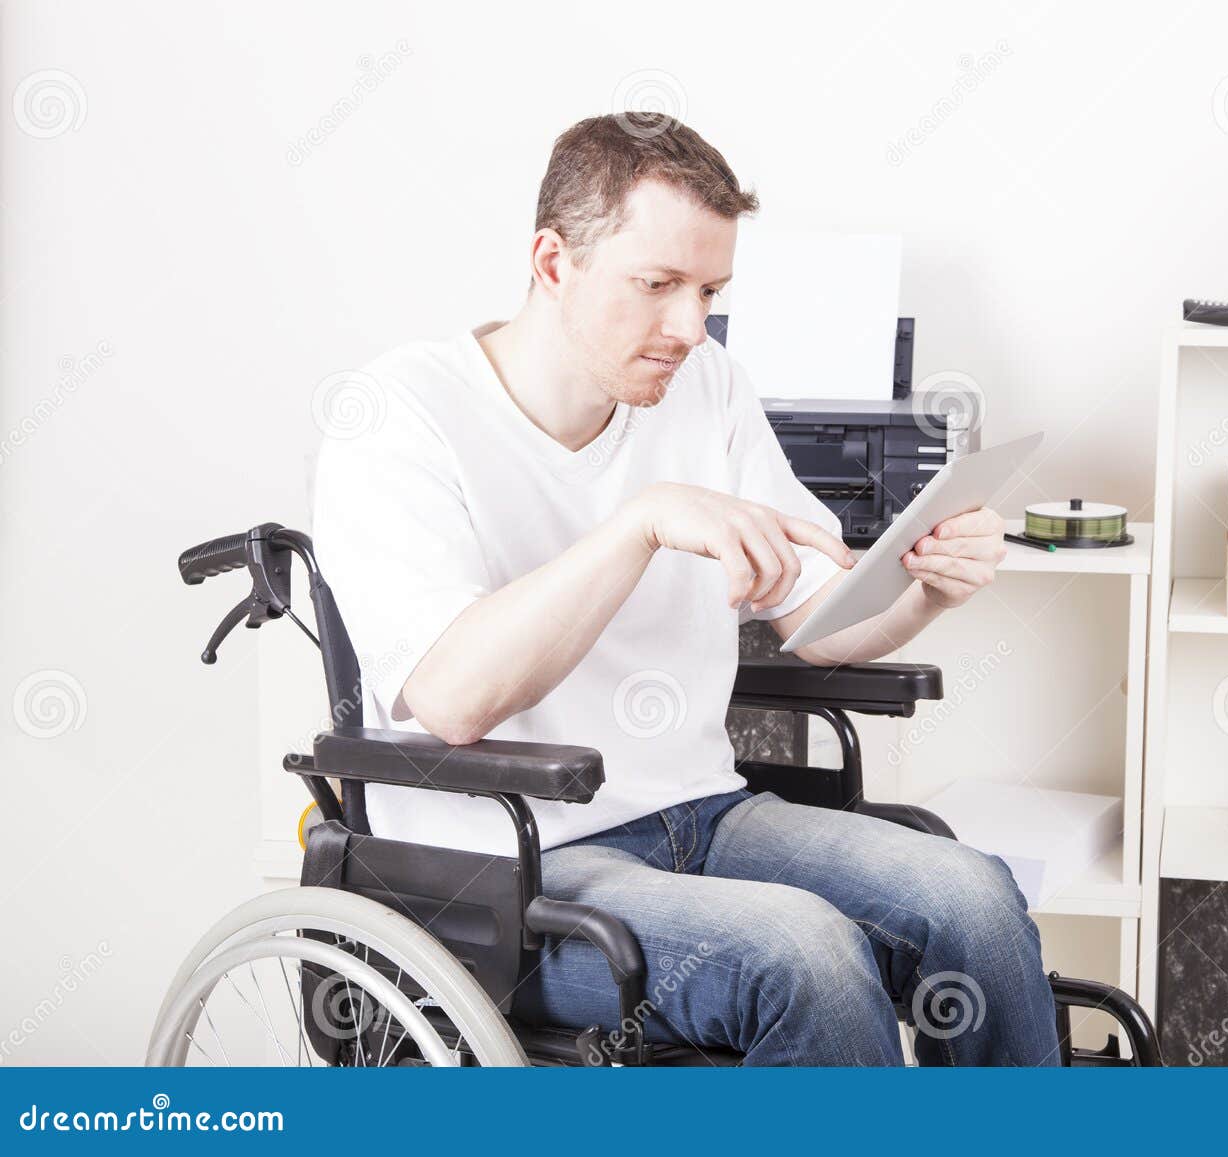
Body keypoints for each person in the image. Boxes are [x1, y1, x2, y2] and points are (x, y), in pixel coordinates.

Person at [312, 112, 1057, 1065]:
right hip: (507, 868)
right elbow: (452, 698)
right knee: (806, 956)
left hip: (702, 814)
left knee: (973, 901)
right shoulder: (403, 415)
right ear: (553, 261)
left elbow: (816, 620)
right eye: (658, 285)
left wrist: (923, 594)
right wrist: (640, 522)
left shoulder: (708, 386)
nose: (691, 326)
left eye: (709, 289)